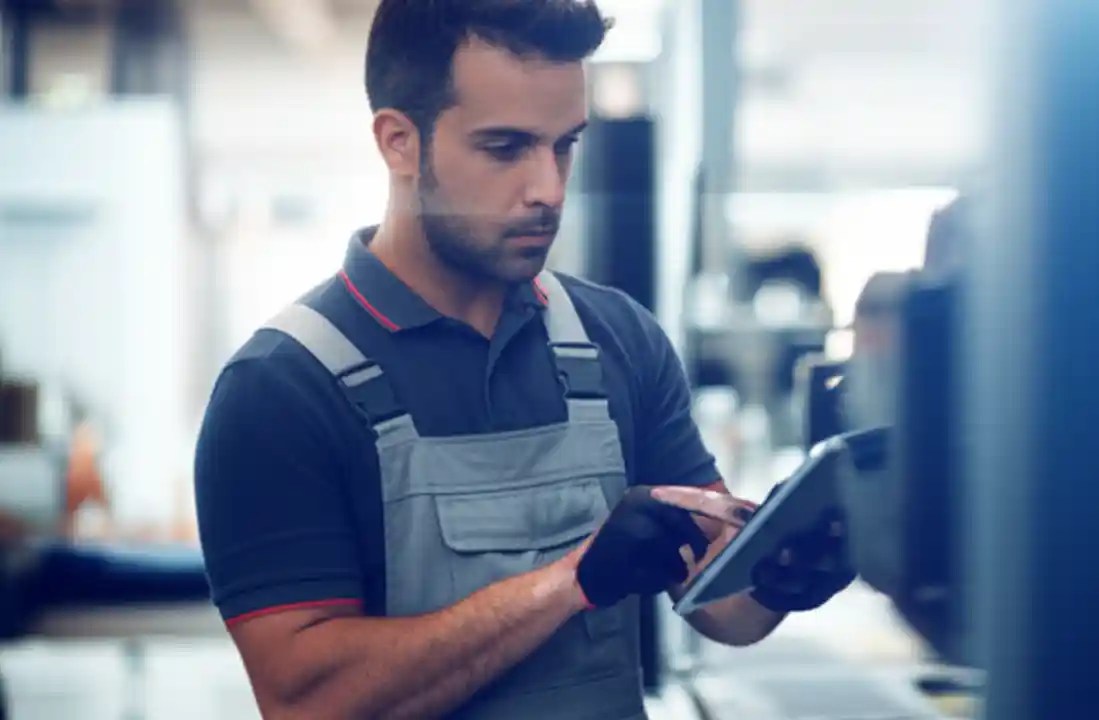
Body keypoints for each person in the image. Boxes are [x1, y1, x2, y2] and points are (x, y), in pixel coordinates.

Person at [193, 2, 854, 718]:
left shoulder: (618, 340)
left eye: (564, 144)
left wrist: (781, 570)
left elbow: (721, 605)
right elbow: (307, 704)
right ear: (399, 142)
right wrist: (573, 582)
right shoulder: (281, 391)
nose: (548, 188)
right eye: (506, 148)